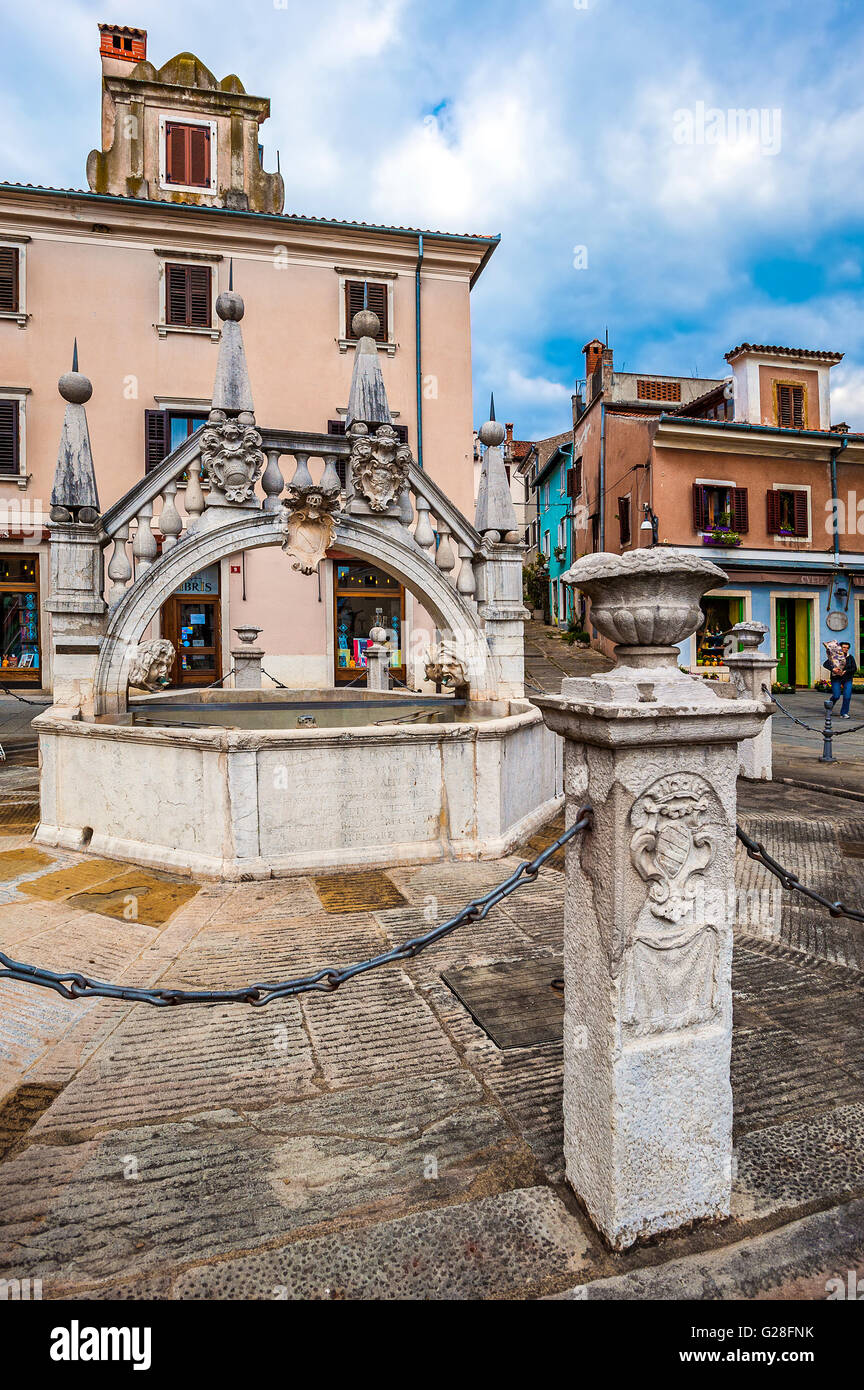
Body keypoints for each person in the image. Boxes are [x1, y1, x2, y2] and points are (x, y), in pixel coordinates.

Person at [823, 641, 858, 717]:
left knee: (847, 696)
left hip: (847, 679)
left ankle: (844, 713)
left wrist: (846, 671)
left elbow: (854, 668)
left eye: (847, 648)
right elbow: (825, 664)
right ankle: (829, 707)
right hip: (836, 679)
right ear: (840, 648)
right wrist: (833, 669)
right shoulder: (834, 656)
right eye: (844, 647)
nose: (845, 649)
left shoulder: (850, 657)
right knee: (836, 696)